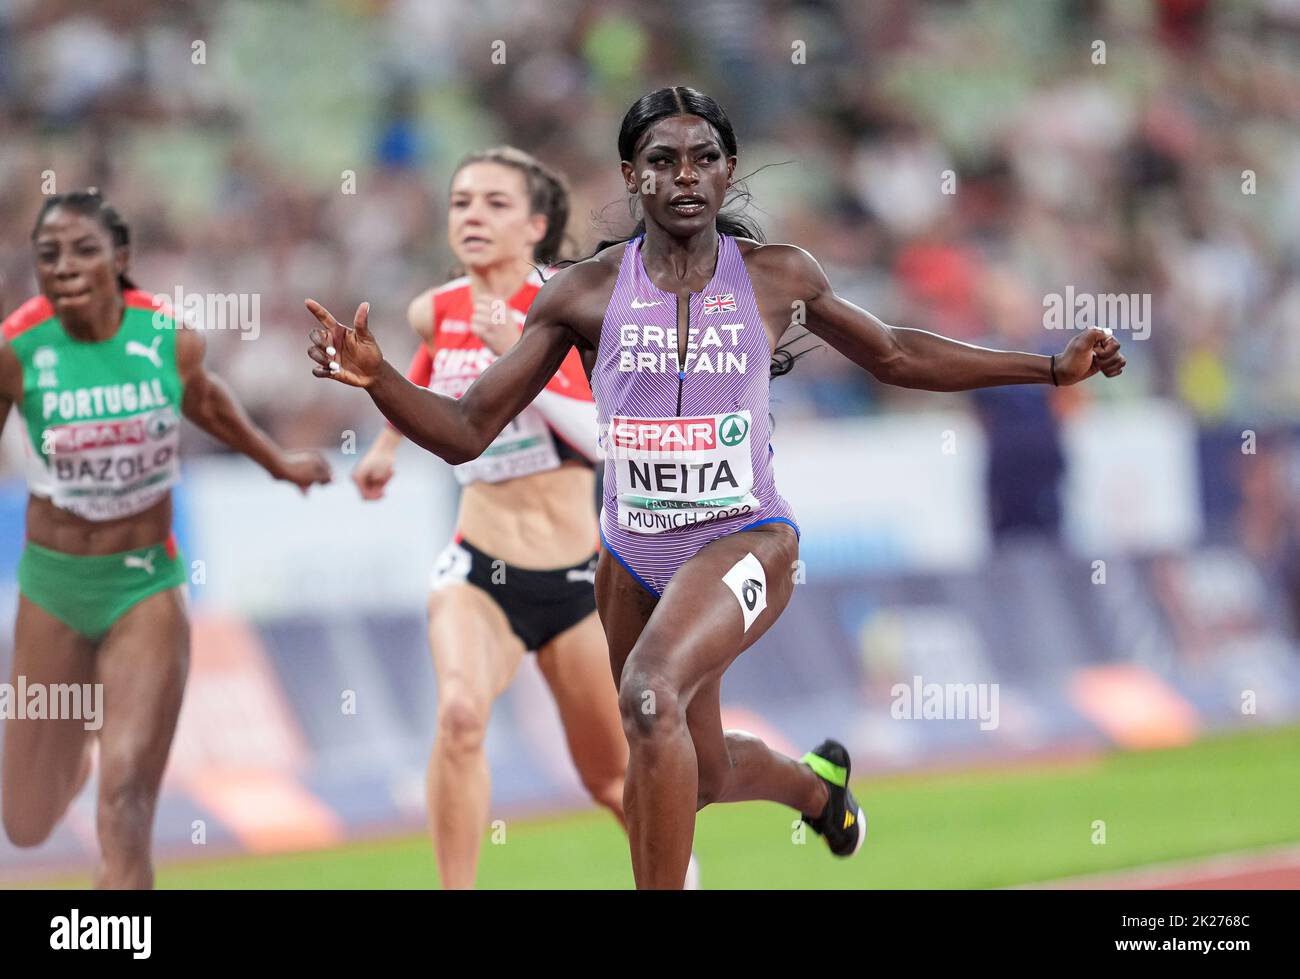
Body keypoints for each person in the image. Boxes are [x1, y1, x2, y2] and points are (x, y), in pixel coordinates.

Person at [305, 87, 1126, 889]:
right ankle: (818, 791)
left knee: (650, 696)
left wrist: (1049, 367)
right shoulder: (584, 293)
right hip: (630, 560)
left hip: (747, 541)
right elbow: (467, 428)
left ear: (729, 169)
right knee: (690, 769)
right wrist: (379, 379)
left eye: (704, 158)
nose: (686, 175)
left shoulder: (776, 277)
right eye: (663, 160)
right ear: (633, 176)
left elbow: (896, 354)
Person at [348, 147, 669, 888]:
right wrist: (387, 443)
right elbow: (430, 366)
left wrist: (517, 358)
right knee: (460, 715)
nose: (472, 216)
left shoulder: (578, 304)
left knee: (613, 782)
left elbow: (612, 441)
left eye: (494, 203)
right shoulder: (436, 306)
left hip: (580, 584)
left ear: (534, 225)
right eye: (461, 202)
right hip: (477, 565)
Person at [0, 190, 330, 888]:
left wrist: (282, 463)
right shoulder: (17, 349)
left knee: (125, 798)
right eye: (48, 255)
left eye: (84, 250)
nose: (64, 267)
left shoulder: (167, 338)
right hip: (54, 586)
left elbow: (207, 401)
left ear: (119, 259)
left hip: (144, 582)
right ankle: (70, 755)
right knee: (24, 820)